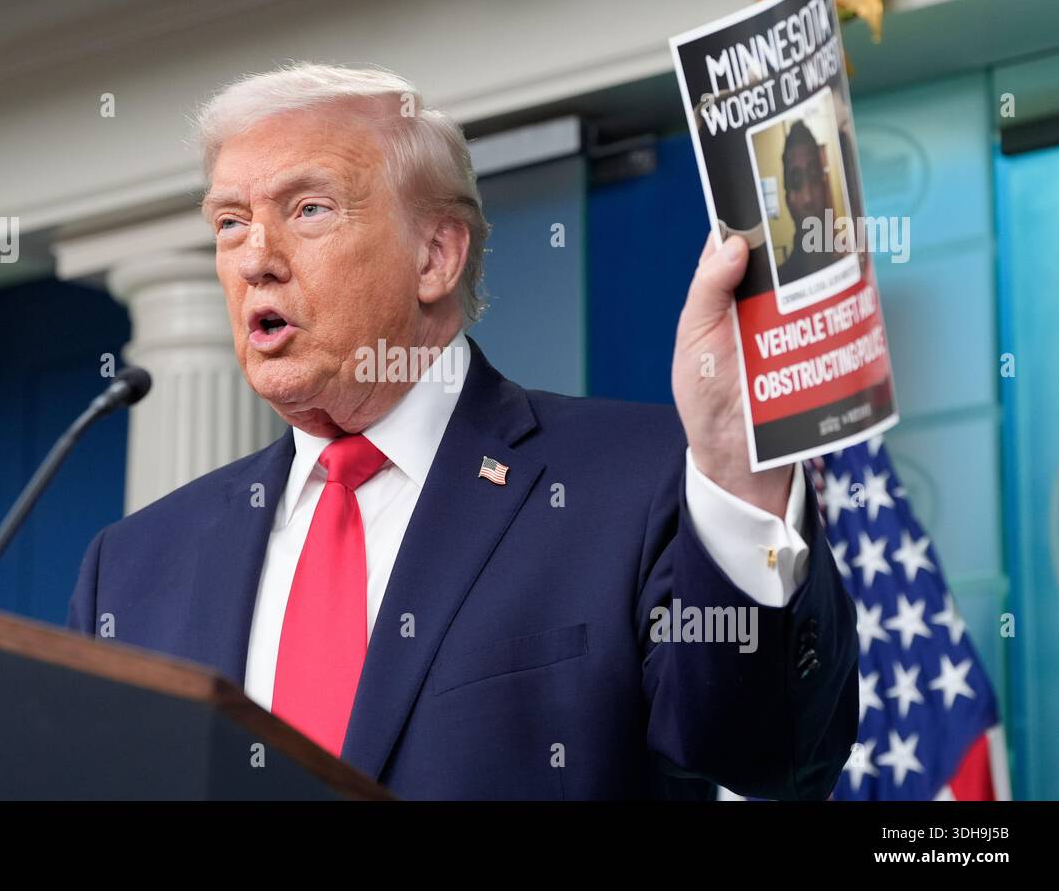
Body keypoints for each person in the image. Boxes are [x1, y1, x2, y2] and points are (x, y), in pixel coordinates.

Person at [67, 63, 857, 800]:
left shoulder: (638, 484)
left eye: (309, 209)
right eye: (230, 223)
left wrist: (734, 472)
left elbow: (774, 754)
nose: (255, 260)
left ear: (436, 256)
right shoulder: (133, 571)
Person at [776, 119, 843, 285]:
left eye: (814, 177)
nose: (808, 198)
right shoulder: (780, 281)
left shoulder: (850, 261)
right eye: (797, 182)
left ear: (824, 187)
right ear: (787, 201)